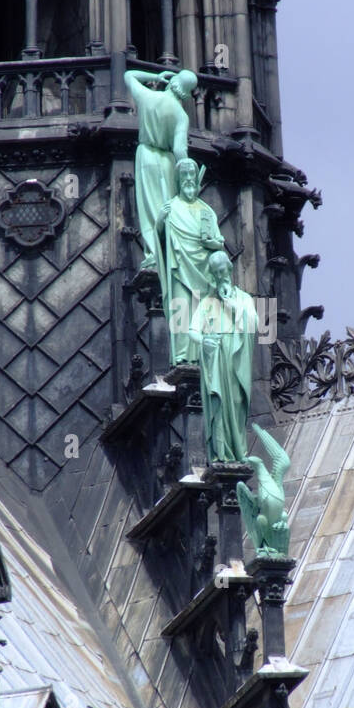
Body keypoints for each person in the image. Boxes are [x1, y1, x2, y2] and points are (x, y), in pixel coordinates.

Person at [123, 67, 198, 270]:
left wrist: (156, 76)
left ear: (173, 82)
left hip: (146, 155)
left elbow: (128, 75)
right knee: (166, 207)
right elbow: (180, 150)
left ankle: (154, 253)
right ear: (186, 93)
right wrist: (189, 174)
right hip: (166, 161)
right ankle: (166, 252)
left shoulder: (148, 97)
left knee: (150, 209)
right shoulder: (181, 115)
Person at [156, 158, 227, 364]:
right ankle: (182, 356)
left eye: (191, 175)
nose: (188, 179)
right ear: (178, 180)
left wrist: (212, 243)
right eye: (184, 175)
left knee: (202, 312)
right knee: (182, 308)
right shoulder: (171, 207)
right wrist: (160, 220)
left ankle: (203, 357)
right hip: (180, 267)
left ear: (197, 179)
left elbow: (218, 243)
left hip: (204, 270)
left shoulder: (207, 211)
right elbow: (160, 241)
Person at [189, 251, 258, 463]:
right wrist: (204, 341)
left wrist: (231, 304)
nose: (221, 276)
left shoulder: (244, 299)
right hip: (216, 358)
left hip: (237, 356)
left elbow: (254, 324)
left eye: (222, 271)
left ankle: (238, 451)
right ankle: (222, 452)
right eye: (216, 274)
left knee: (236, 401)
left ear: (229, 269)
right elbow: (192, 330)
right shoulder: (207, 303)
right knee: (219, 405)